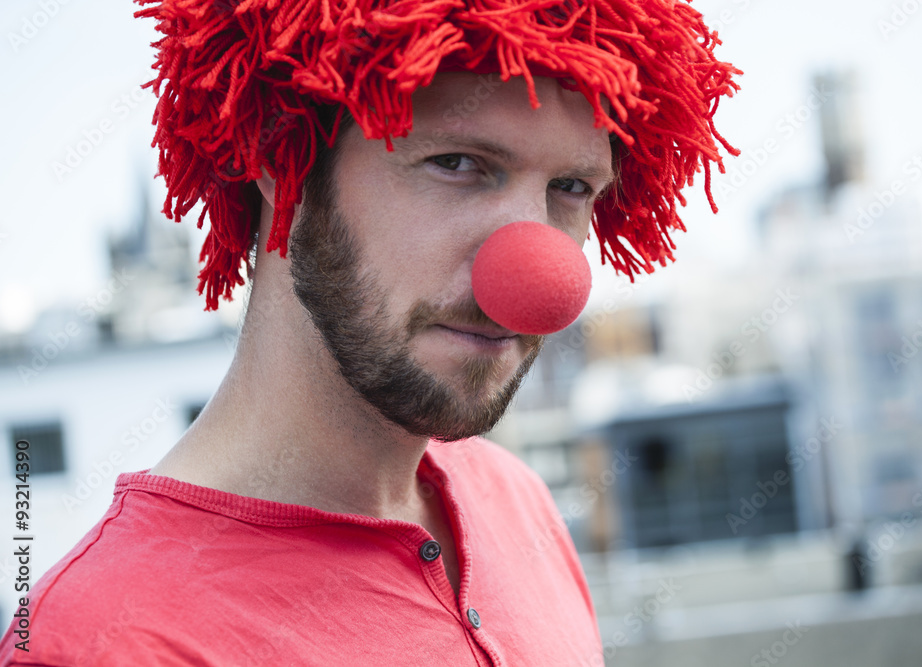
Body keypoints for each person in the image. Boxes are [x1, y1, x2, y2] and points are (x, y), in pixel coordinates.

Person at [0, 0, 739, 664]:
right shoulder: (105, 645)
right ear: (278, 156)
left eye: (570, 188)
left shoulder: (516, 500)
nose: (530, 281)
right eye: (457, 163)